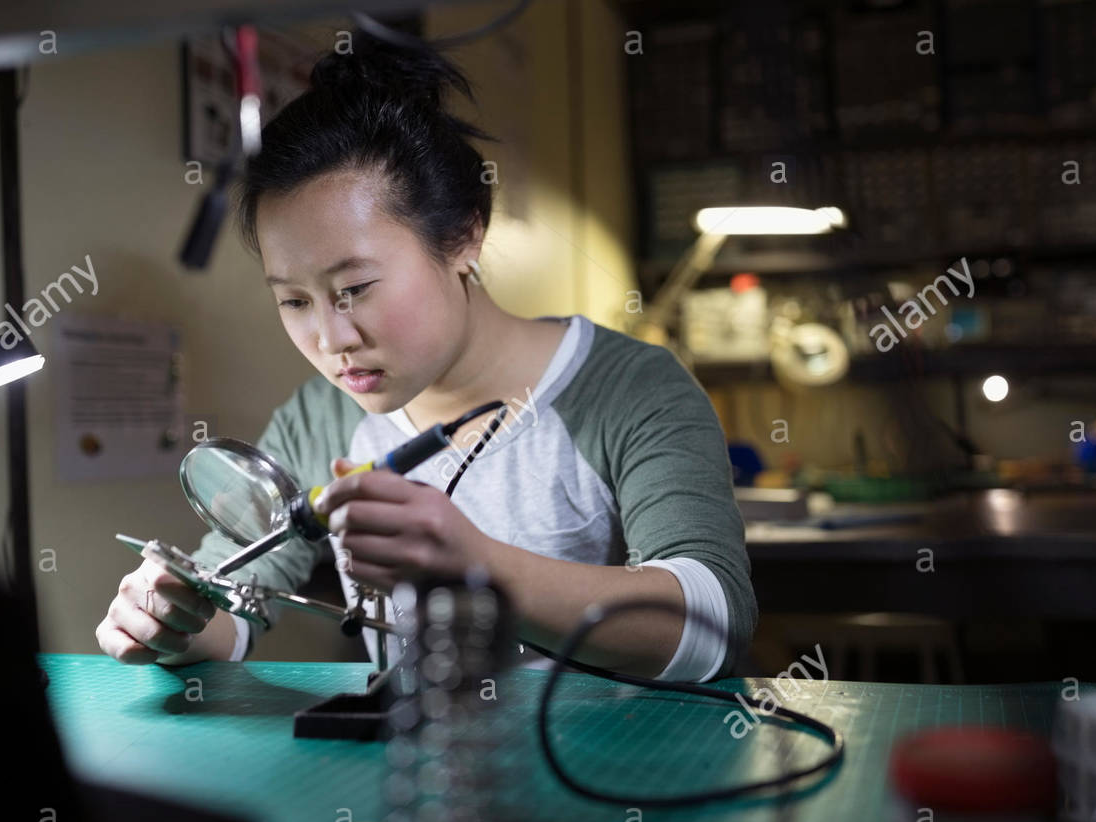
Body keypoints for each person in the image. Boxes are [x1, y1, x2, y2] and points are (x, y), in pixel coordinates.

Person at [95, 36, 754, 682]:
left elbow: (712, 625)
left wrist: (478, 566)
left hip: (612, 778)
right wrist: (166, 623)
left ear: (466, 234)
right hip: (417, 777)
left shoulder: (631, 389)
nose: (331, 339)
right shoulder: (321, 415)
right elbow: (230, 610)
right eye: (295, 301)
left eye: (354, 289)